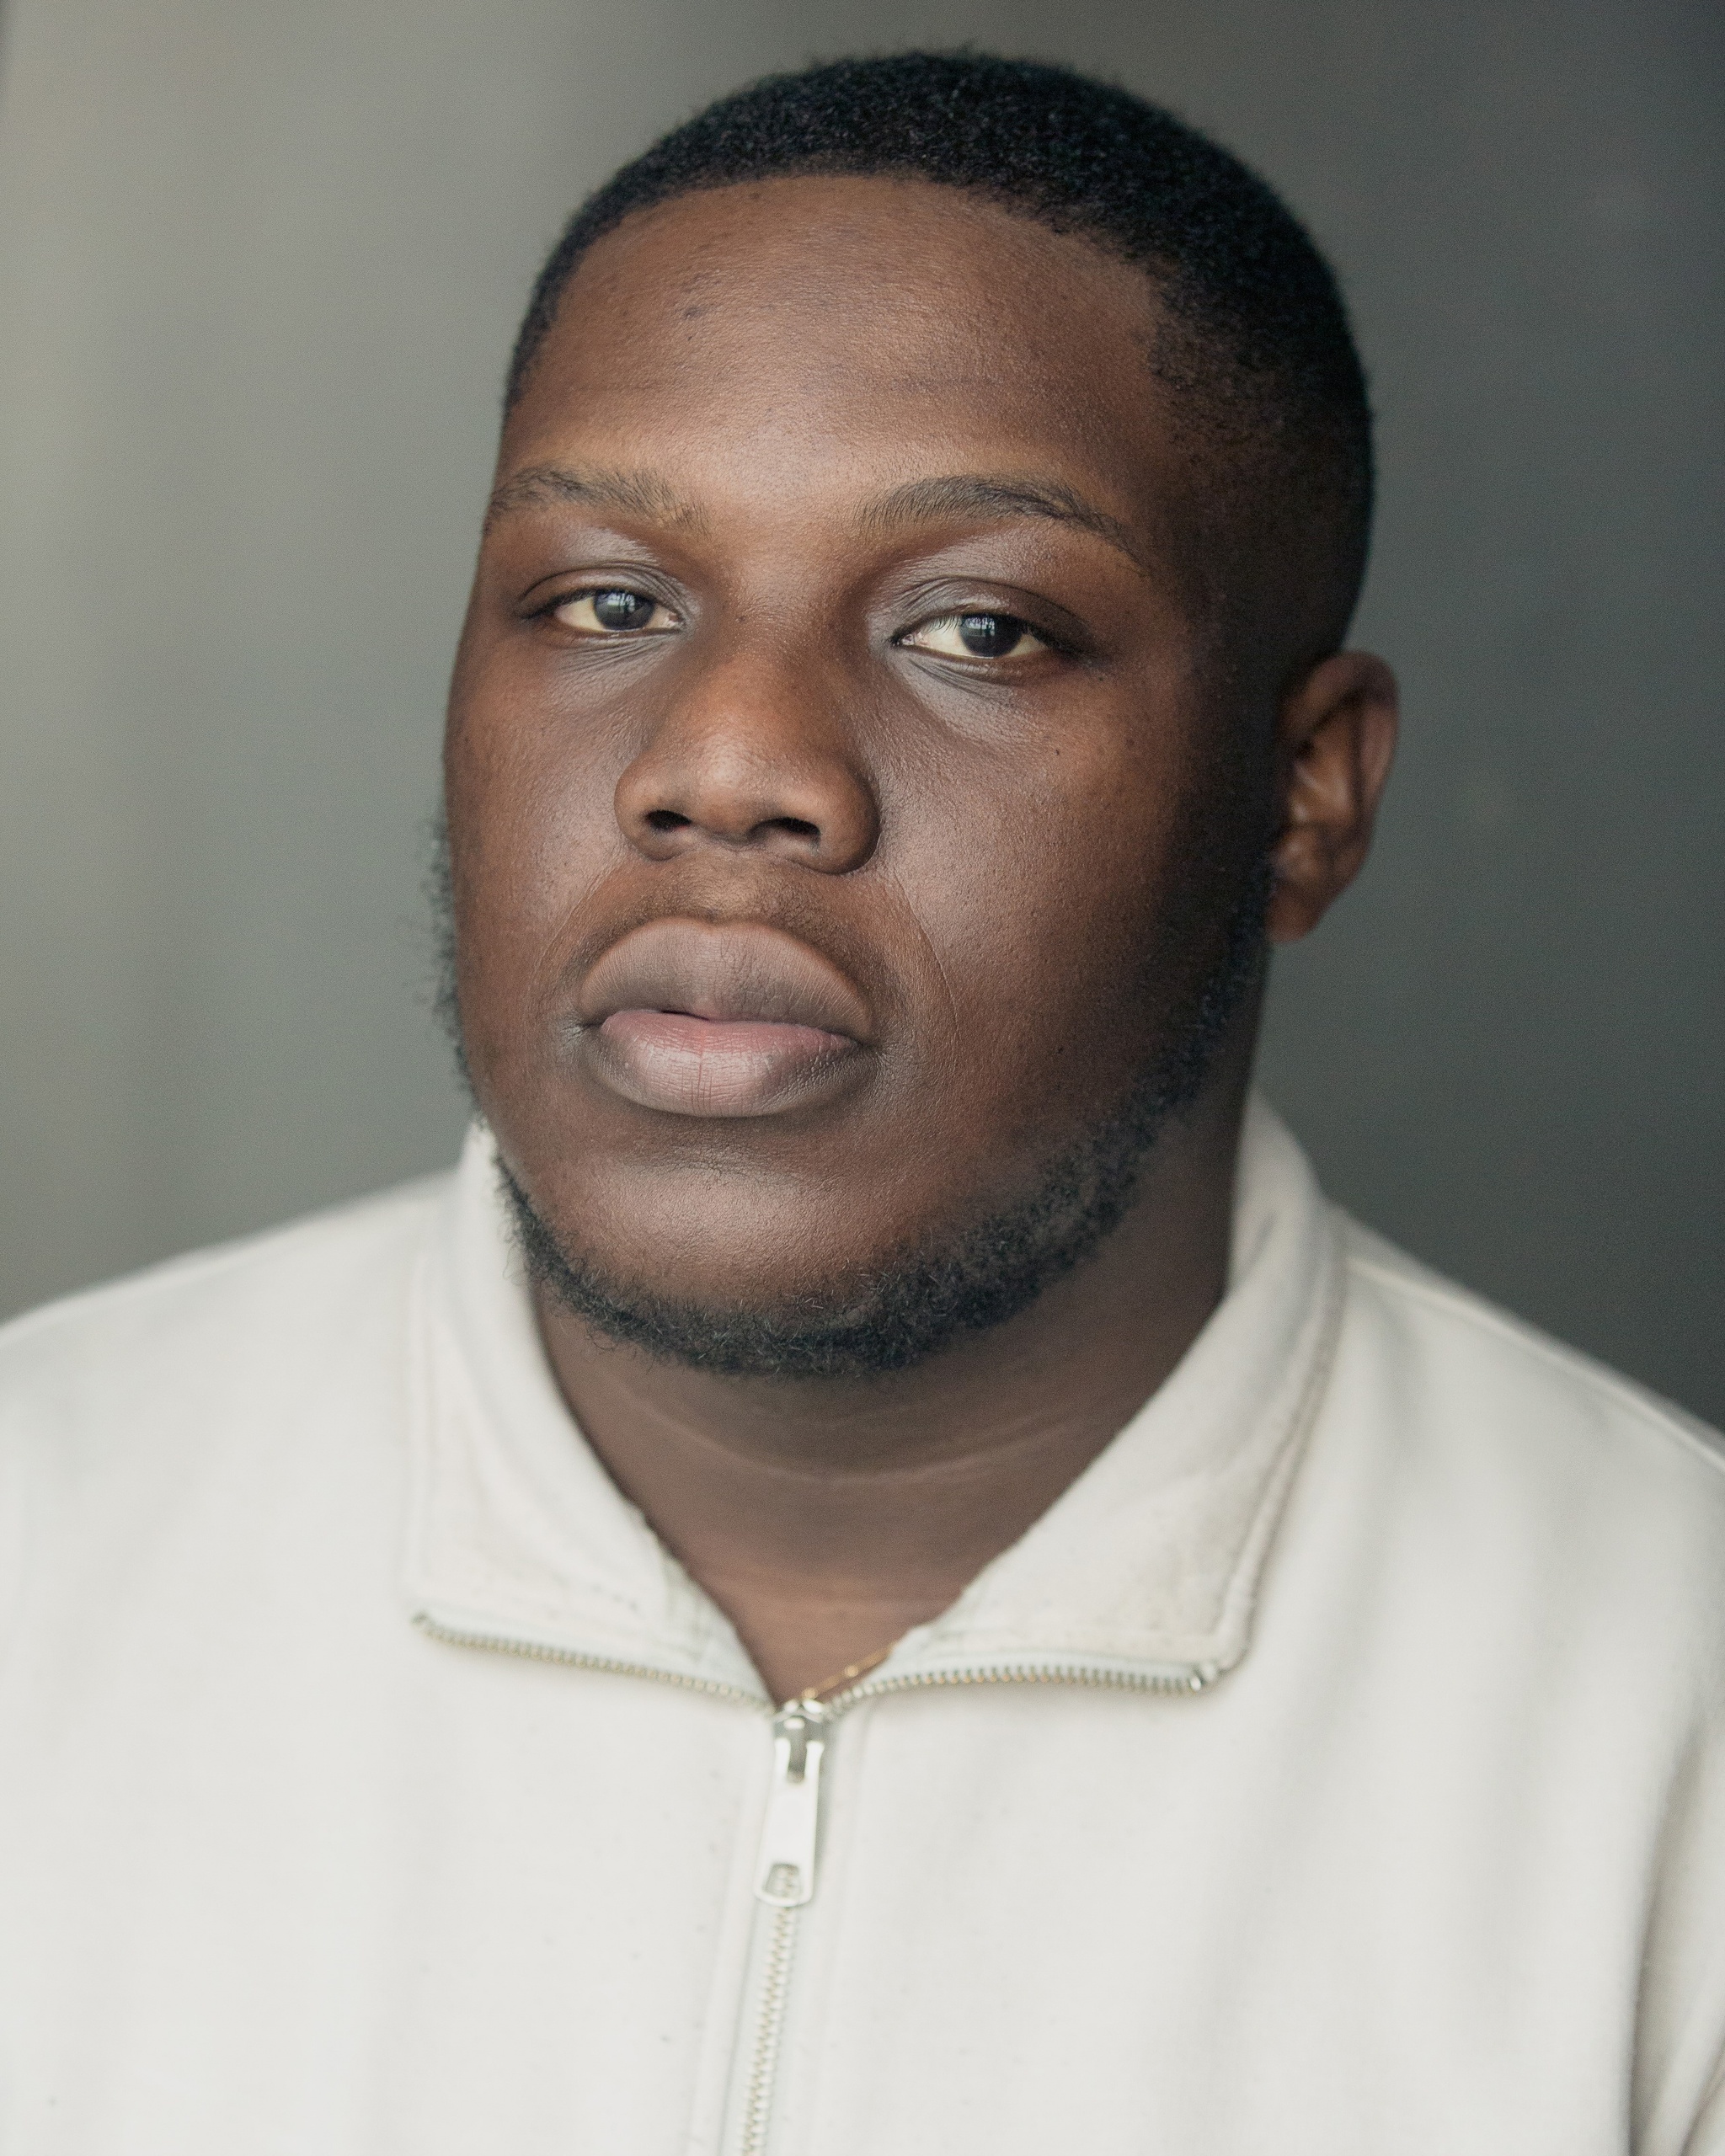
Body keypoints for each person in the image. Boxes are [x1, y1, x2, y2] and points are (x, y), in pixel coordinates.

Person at [1, 49, 1720, 2155]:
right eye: (608, 602)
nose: (728, 763)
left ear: (1303, 792)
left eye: (978, 628)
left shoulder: (1671, 1733)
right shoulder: (42, 1543)